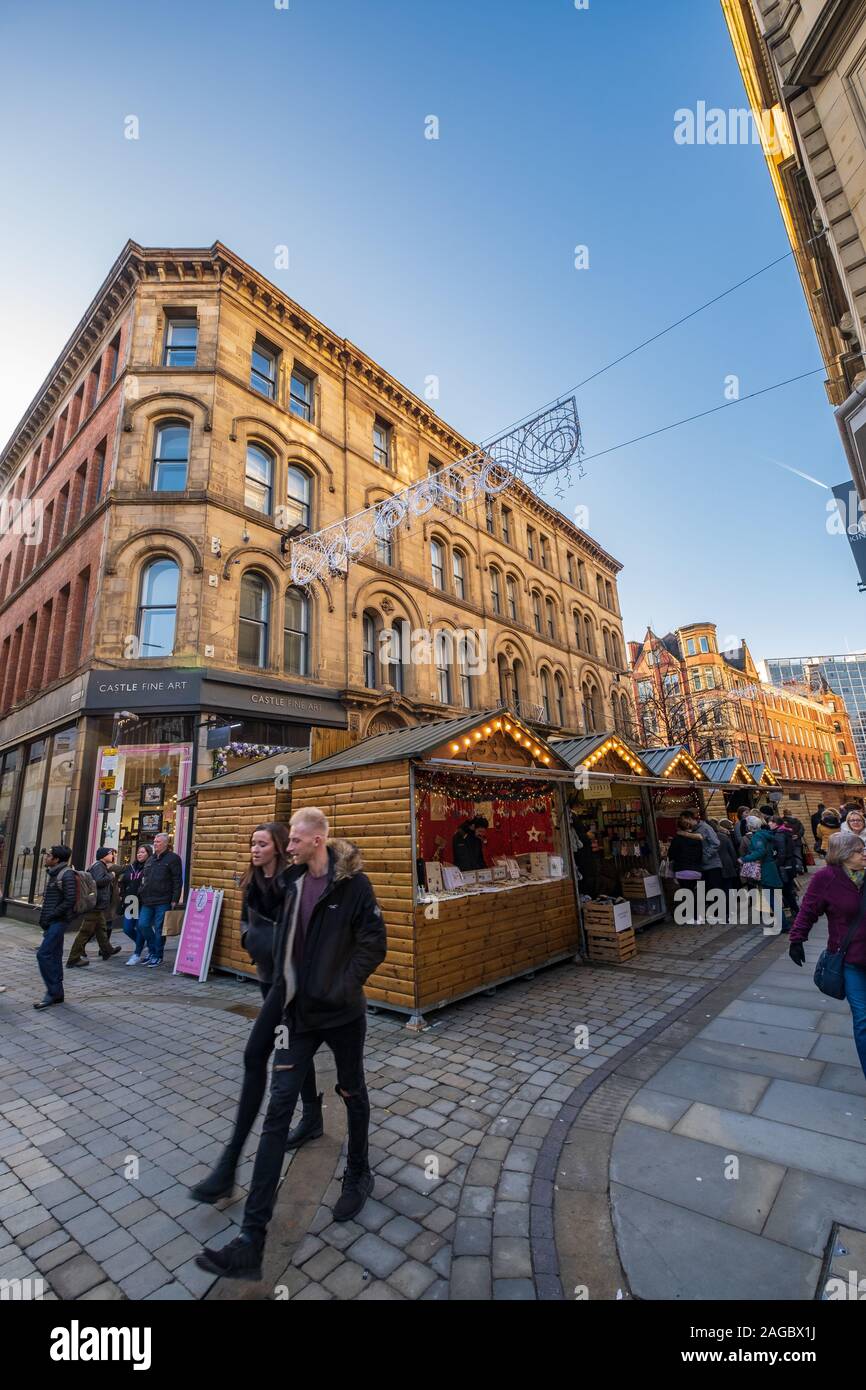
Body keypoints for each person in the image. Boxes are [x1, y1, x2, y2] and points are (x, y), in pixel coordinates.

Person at [196, 807, 387, 1281]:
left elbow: (374, 941)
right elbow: (262, 901)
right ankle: (250, 1240)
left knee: (352, 1091)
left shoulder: (354, 887)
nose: (289, 849)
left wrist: (343, 984)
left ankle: (359, 1170)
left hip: (342, 1014)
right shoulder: (292, 883)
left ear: (318, 840)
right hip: (296, 1018)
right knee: (278, 1111)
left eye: (295, 841)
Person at [189, 823, 322, 1205]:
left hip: (293, 988)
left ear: (280, 847)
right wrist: (253, 939)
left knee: (256, 1057)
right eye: (252, 842)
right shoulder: (253, 883)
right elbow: (246, 926)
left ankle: (228, 1166)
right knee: (291, 1049)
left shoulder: (291, 884)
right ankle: (313, 1115)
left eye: (262, 843)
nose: (254, 848)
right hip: (269, 981)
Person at [789, 832, 866, 1079]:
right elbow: (809, 910)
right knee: (863, 1020)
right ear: (843, 855)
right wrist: (797, 939)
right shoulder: (826, 878)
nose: (864, 854)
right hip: (851, 961)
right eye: (859, 851)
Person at [35, 846, 77, 1009]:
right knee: (54, 954)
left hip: (58, 921)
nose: (46, 857)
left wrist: (52, 914)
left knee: (43, 954)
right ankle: (57, 993)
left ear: (57, 859)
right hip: (52, 921)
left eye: (49, 855)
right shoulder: (55, 874)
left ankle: (52, 992)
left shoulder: (66, 874)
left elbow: (70, 900)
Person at [66, 848, 122, 967]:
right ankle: (73, 957)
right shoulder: (98, 866)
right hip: (95, 904)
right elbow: (97, 881)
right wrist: (111, 876)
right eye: (110, 854)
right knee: (85, 932)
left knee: (101, 928)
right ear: (103, 856)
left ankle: (107, 950)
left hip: (98, 904)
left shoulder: (100, 865)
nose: (112, 855)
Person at [137, 832, 183, 968]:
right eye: (155, 841)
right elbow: (144, 878)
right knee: (143, 925)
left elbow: (177, 880)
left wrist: (175, 899)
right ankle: (152, 951)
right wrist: (141, 890)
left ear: (165, 843)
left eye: (158, 842)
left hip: (163, 900)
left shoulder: (173, 859)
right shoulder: (150, 859)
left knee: (159, 929)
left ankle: (158, 955)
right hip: (147, 900)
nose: (155, 844)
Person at [740, 814, 787, 932]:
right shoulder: (766, 834)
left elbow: (761, 851)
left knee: (771, 899)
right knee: (773, 898)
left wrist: (745, 858)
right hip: (770, 867)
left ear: (749, 826)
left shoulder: (757, 837)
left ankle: (783, 925)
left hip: (765, 869)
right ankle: (783, 924)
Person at [668, 813, 704, 925]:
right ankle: (697, 916)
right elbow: (700, 854)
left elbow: (671, 854)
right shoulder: (697, 838)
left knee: (687, 893)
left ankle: (691, 917)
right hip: (696, 870)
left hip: (682, 870)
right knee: (693, 892)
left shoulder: (677, 839)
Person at [120, 844, 154, 963]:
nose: (139, 854)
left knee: (140, 927)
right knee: (127, 928)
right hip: (131, 901)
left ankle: (137, 953)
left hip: (144, 901)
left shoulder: (150, 867)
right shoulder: (130, 867)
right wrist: (123, 896)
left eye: (143, 852)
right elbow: (123, 882)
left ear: (149, 854)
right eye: (138, 852)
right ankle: (145, 943)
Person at [769, 814, 799, 920]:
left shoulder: (779, 834)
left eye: (770, 822)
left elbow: (782, 851)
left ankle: (795, 912)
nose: (769, 824)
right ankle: (795, 911)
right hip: (789, 864)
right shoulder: (785, 832)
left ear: (776, 823)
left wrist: (777, 864)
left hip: (785, 866)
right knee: (788, 890)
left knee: (786, 891)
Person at [687, 810, 722, 892]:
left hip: (712, 865)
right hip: (701, 867)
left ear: (691, 819)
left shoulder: (705, 828)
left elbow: (716, 843)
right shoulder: (692, 831)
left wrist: (705, 855)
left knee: (715, 891)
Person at [709, 818, 739, 901]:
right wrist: (735, 864)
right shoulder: (724, 836)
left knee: (717, 889)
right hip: (727, 864)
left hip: (714, 866)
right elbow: (732, 851)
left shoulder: (707, 838)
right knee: (728, 887)